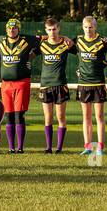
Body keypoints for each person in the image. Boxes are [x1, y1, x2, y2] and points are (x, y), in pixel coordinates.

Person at [0, 18, 42, 153]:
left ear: (19, 29)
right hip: (6, 84)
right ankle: (11, 148)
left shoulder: (27, 39)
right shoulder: (0, 40)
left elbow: (46, 39)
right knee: (9, 116)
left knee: (19, 115)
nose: (12, 30)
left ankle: (20, 148)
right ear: (6, 29)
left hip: (22, 82)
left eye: (14, 28)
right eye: (9, 28)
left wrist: (31, 56)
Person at [36, 18, 76, 153]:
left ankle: (59, 148)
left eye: (54, 29)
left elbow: (82, 53)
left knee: (60, 117)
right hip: (45, 84)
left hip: (60, 84)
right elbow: (28, 53)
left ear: (58, 29)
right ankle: (48, 147)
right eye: (49, 29)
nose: (52, 32)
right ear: (45, 30)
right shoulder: (42, 45)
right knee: (48, 118)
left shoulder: (66, 44)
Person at [73, 16, 107, 156]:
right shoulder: (78, 40)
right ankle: (88, 146)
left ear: (95, 27)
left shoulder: (102, 42)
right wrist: (79, 70)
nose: (88, 30)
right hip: (83, 83)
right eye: (86, 27)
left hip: (98, 83)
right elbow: (63, 43)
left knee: (99, 116)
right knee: (86, 116)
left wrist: (102, 67)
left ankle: (100, 147)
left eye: (91, 27)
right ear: (82, 27)